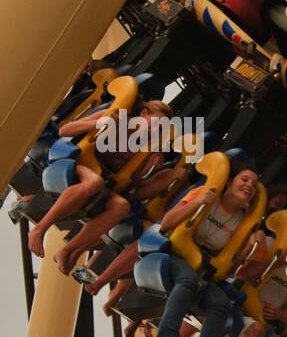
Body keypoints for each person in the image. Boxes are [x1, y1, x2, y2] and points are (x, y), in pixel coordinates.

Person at [27, 99, 181, 275]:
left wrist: (149, 168)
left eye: (161, 128)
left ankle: (67, 250)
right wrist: (98, 123)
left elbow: (133, 185)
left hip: (102, 181)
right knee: (94, 182)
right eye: (157, 123)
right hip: (77, 163)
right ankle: (39, 229)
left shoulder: (146, 149)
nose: (156, 129)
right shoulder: (116, 117)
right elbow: (65, 130)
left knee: (122, 206)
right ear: (144, 113)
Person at [154, 163, 260, 337]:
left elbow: (228, 268)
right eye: (245, 179)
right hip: (174, 254)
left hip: (203, 269)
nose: (249, 185)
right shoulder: (204, 193)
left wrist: (247, 249)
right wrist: (197, 203)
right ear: (230, 182)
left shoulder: (243, 221)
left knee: (220, 302)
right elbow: (166, 223)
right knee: (188, 279)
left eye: (254, 184)